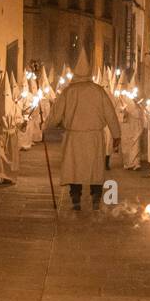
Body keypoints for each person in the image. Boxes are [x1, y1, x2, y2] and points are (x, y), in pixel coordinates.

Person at [46, 64, 121, 210]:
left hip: (74, 138)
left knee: (75, 168)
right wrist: (116, 134)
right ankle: (96, 198)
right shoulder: (99, 91)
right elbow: (110, 114)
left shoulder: (68, 91)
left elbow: (56, 114)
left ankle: (76, 198)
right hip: (94, 138)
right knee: (95, 169)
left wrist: (47, 126)